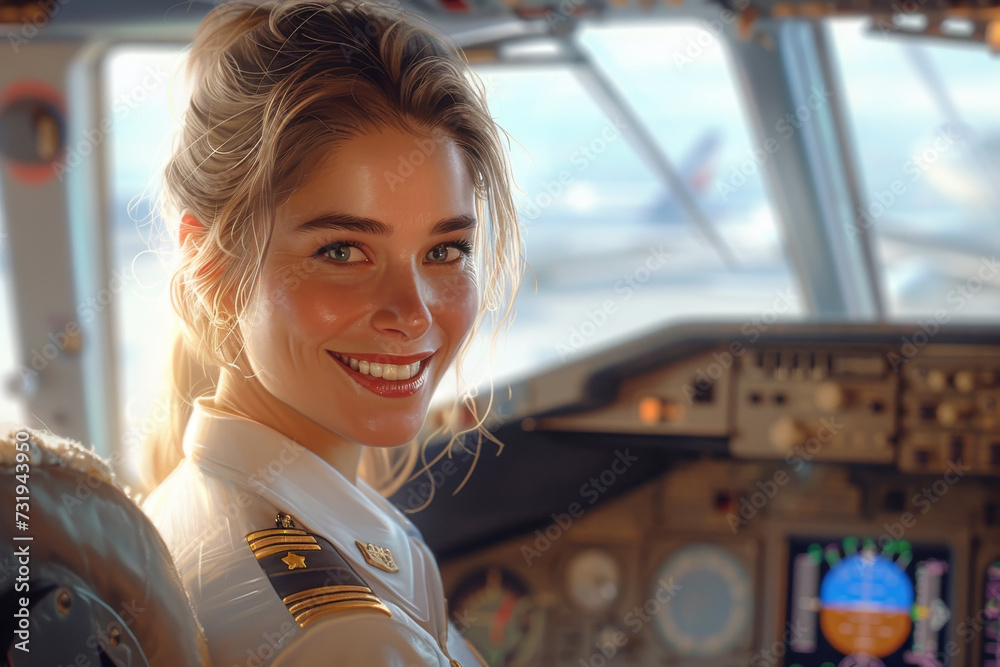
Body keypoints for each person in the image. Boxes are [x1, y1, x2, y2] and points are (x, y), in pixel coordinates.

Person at [139, 0, 525, 664]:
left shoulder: (183, 503)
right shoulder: (348, 639)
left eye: (444, 251)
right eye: (343, 251)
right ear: (211, 265)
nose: (413, 313)